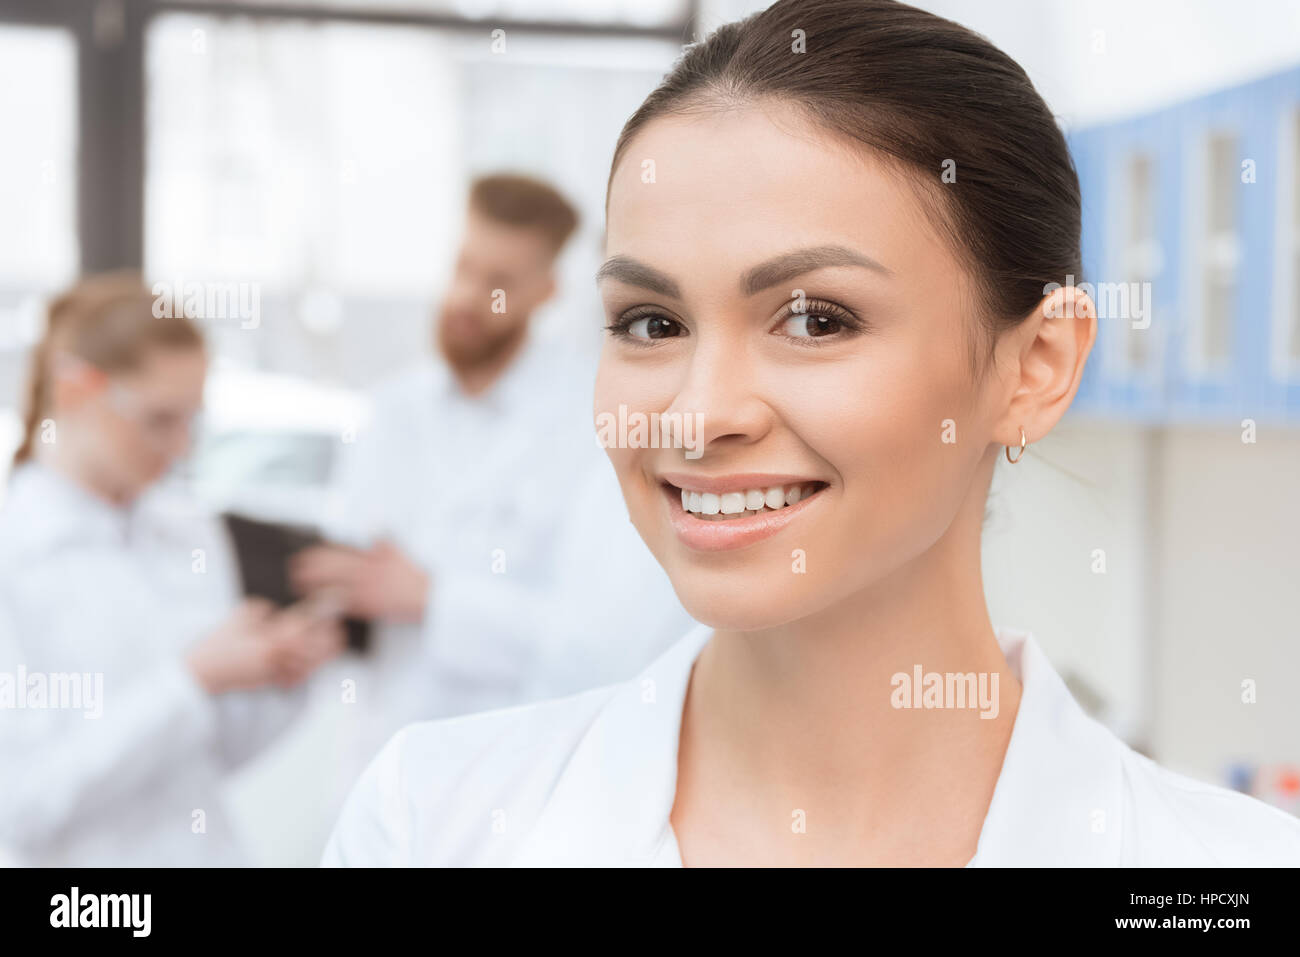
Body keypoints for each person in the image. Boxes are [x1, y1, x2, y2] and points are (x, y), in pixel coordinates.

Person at [322, 0, 1300, 866]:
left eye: (816, 320)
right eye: (650, 324)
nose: (698, 416)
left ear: (1035, 367)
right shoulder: (429, 825)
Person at [291, 174, 691, 736]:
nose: (467, 297)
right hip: (381, 752)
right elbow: (350, 583)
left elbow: (603, 645)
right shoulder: (392, 411)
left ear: (547, 290)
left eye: (498, 281)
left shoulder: (599, 424)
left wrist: (436, 600)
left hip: (520, 763)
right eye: (463, 268)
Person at [0, 274, 342, 866]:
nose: (182, 447)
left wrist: (278, 676)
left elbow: (213, 754)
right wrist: (192, 679)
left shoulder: (189, 531)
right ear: (76, 391)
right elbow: (23, 803)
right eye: (159, 419)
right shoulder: (16, 555)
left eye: (193, 420)